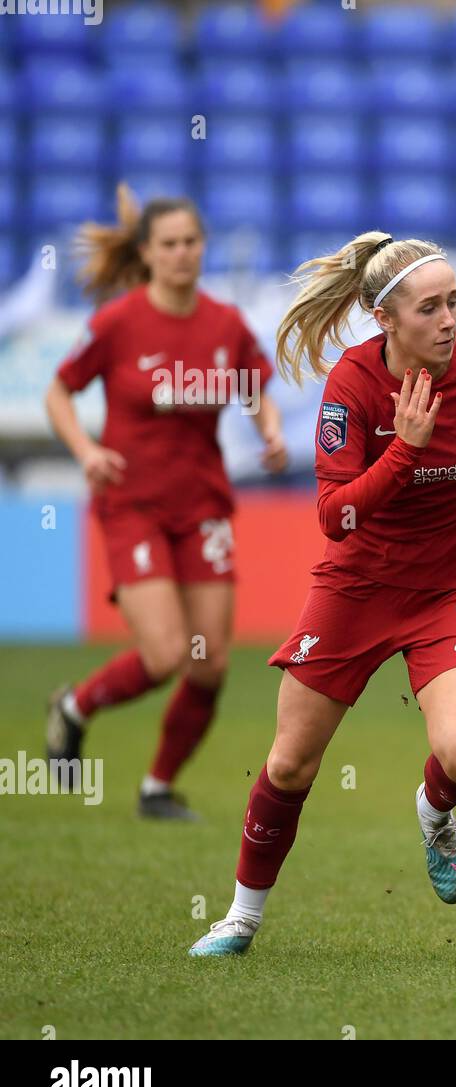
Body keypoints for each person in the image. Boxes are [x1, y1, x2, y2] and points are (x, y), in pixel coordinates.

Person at [189, 232, 456, 955]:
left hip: (455, 586)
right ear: (386, 319)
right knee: (289, 763)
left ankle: (435, 812)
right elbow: (334, 514)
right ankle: (241, 918)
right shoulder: (350, 387)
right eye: (430, 308)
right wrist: (406, 448)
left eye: (454, 303)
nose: (449, 321)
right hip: (358, 588)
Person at [45, 184, 288, 819]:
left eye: (192, 242)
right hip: (133, 508)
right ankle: (75, 706)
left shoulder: (224, 325)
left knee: (208, 667)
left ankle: (157, 787)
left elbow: (255, 387)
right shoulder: (117, 323)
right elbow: (58, 393)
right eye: (170, 244)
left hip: (202, 508)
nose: (183, 254)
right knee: (166, 655)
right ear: (148, 253)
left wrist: (270, 431)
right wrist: (86, 452)